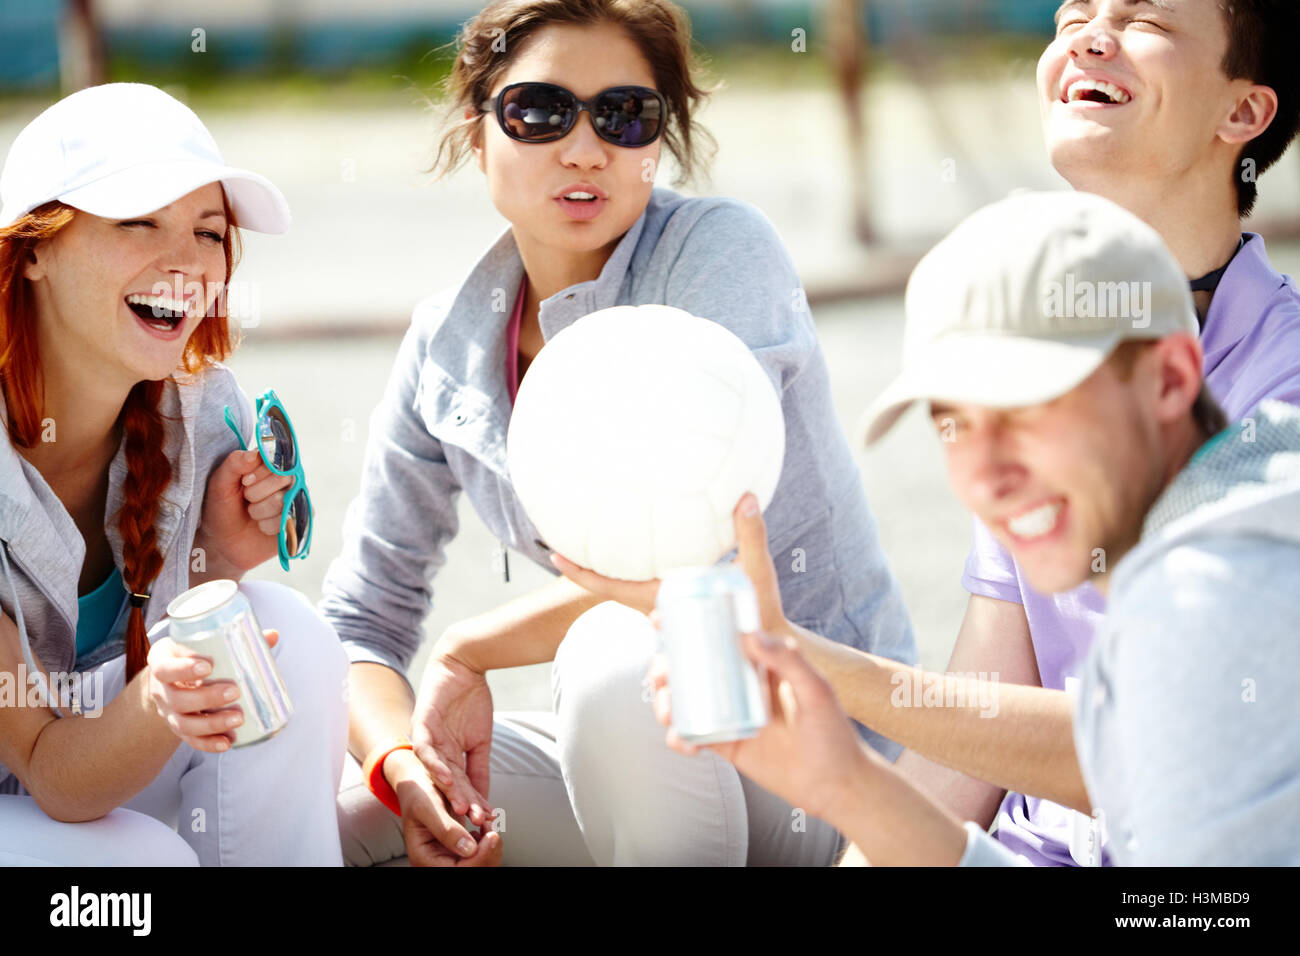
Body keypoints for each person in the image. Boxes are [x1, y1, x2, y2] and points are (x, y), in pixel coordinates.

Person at [325, 0, 916, 867]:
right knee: (345, 823)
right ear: (475, 124)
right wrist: (405, 765)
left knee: (614, 650)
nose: (584, 149)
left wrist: (470, 649)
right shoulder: (447, 345)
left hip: (824, 766)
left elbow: (687, 576)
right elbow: (360, 619)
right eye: (539, 111)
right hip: (652, 758)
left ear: (660, 138)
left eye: (624, 115)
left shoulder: (718, 255)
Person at [651, 190, 1300, 866]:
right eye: (953, 425)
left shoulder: (1214, 598)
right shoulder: (1219, 524)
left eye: (1027, 411)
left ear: (1169, 379)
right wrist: (844, 783)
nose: (987, 476)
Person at [0, 83, 349, 866]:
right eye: (137, 221)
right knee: (137, 864)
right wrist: (161, 697)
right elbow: (55, 774)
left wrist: (216, 559)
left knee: (290, 640)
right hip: (43, 776)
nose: (187, 264)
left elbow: (147, 653)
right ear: (32, 253)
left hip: (91, 765)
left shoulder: (199, 412)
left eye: (208, 231)